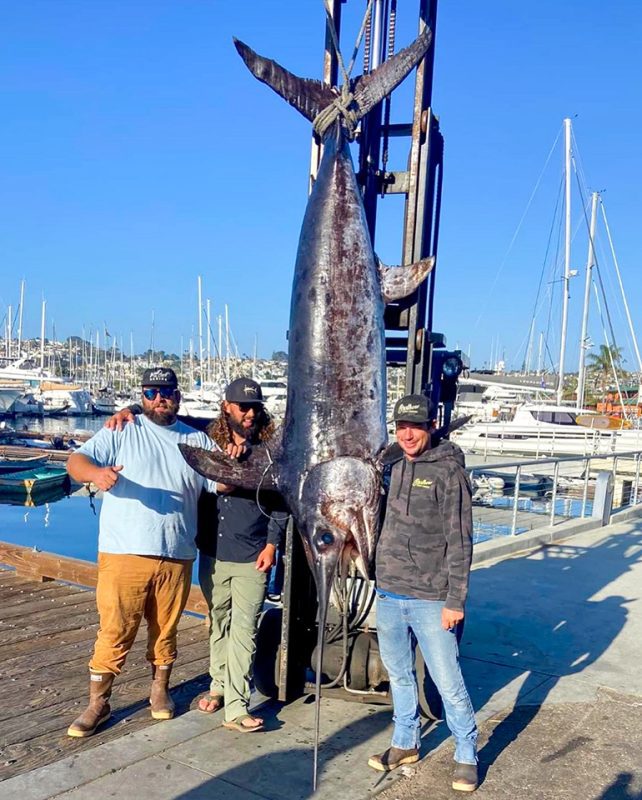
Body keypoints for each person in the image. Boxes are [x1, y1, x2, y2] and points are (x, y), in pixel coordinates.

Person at [107, 376, 284, 733]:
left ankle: (236, 705)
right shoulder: (205, 439)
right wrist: (127, 410)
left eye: (255, 407)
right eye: (242, 407)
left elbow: (283, 500)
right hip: (212, 550)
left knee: (245, 629)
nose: (249, 414)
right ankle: (219, 684)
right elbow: (163, 416)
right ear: (226, 407)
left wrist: (272, 544)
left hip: (253, 552)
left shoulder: (271, 450)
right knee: (218, 622)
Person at [66, 368, 218, 738]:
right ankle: (98, 701)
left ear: (178, 396)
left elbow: (221, 481)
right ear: (142, 396)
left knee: (165, 630)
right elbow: (75, 463)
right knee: (115, 628)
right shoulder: (122, 429)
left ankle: (159, 689)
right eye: (151, 392)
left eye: (166, 391)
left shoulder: (198, 440)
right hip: (125, 551)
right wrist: (96, 475)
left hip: (178, 552)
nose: (159, 398)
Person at [368, 394, 479, 793]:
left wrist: (456, 601)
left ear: (431, 426)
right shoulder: (390, 464)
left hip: (432, 597)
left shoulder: (449, 472)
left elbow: (461, 540)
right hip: (389, 591)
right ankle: (405, 741)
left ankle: (467, 752)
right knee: (399, 675)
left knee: (447, 680)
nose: (408, 434)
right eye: (401, 427)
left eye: (415, 426)